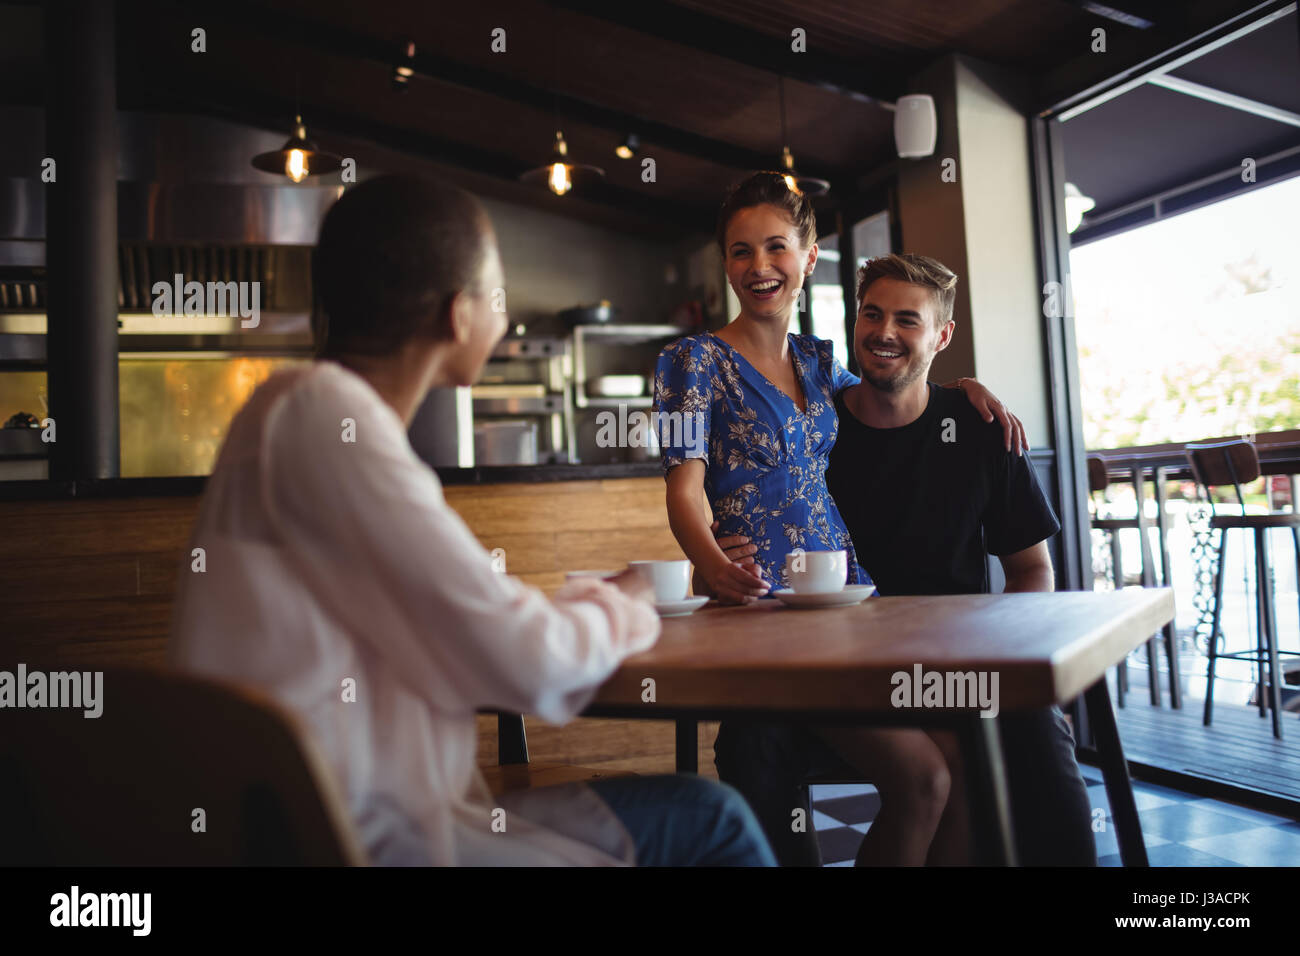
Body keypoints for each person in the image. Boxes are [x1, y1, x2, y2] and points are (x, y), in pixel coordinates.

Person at [169, 174, 775, 867]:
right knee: (713, 818)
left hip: (338, 821)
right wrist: (628, 597)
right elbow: (531, 665)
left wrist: (560, 609)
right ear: (459, 315)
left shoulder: (292, 412)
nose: (505, 314)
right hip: (366, 841)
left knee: (706, 810)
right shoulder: (332, 423)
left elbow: (462, 620)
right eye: (498, 294)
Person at [653, 172, 1028, 865]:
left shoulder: (820, 361)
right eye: (740, 251)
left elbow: (899, 385)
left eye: (775, 248)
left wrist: (962, 389)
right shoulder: (691, 361)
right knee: (922, 778)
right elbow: (683, 489)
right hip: (765, 613)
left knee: (958, 761)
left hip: (850, 599)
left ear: (808, 254)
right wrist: (710, 563)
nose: (758, 267)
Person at [711, 253, 1096, 866]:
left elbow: (1032, 570)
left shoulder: (980, 428)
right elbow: (748, 506)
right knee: (750, 736)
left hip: (956, 670)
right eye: (872, 313)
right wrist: (726, 555)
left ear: (942, 337)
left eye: (907, 320)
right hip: (831, 672)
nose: (884, 332)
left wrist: (1006, 651)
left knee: (1035, 726)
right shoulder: (813, 431)